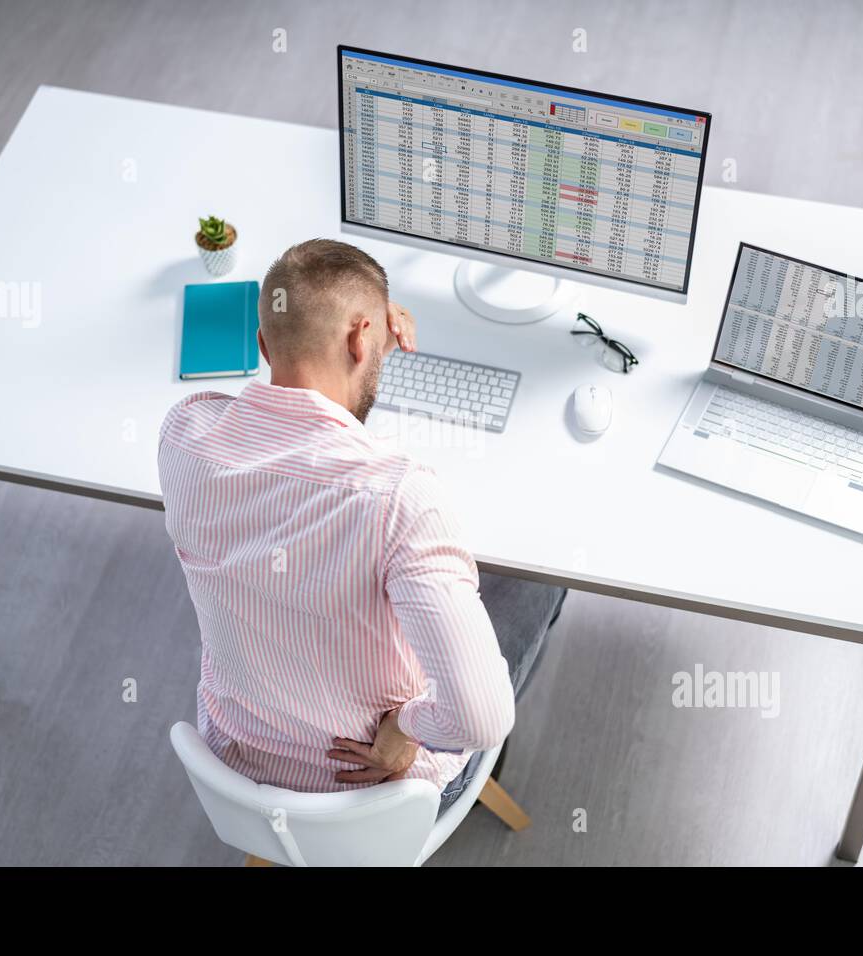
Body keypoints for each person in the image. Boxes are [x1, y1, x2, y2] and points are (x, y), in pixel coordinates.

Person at [158, 238, 565, 813]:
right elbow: (480, 717)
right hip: (382, 800)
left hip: (240, 774)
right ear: (358, 338)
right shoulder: (401, 500)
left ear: (262, 347)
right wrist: (407, 723)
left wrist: (357, 346)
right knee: (543, 578)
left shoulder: (186, 435)